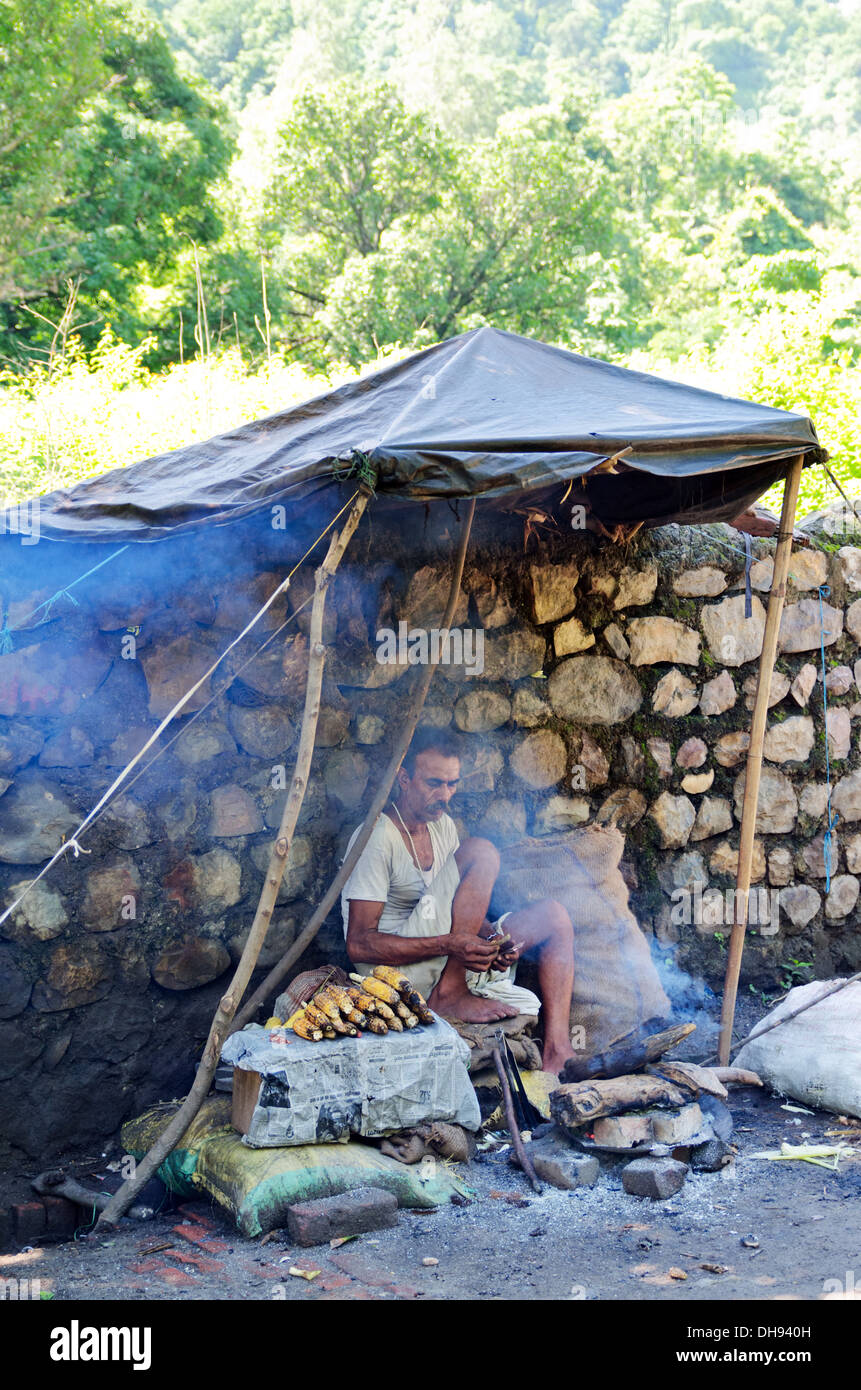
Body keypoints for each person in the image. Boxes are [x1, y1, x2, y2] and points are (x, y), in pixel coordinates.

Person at [340, 726, 577, 1075]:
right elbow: (359, 946)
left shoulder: (442, 826)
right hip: (396, 975)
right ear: (404, 779)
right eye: (434, 783)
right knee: (482, 851)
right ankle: (450, 994)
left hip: (445, 958)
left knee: (554, 917)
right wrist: (454, 944)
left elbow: (458, 907)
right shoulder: (377, 837)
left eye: (452, 784)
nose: (445, 794)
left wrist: (491, 942)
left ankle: (558, 1050)